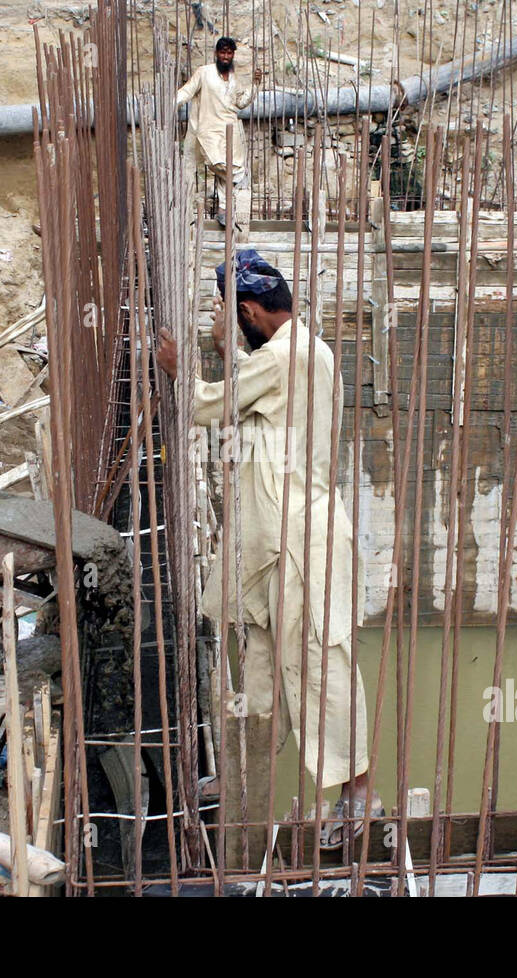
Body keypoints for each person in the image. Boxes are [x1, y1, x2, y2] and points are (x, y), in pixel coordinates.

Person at [154, 250, 379, 849]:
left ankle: (357, 792)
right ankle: (241, 779)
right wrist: (231, 358)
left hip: (296, 542)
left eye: (237, 317)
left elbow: (208, 404)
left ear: (250, 310)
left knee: (317, 662)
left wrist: (179, 367)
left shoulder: (285, 358)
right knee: (260, 652)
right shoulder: (306, 350)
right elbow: (257, 403)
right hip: (274, 535)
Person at [176, 36, 260, 236]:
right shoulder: (204, 73)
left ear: (232, 55)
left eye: (229, 53)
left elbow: (241, 103)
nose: (225, 56)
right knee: (190, 170)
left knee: (231, 170)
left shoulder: (234, 78)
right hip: (203, 130)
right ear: (216, 53)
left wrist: (256, 84)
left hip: (227, 131)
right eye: (222, 52)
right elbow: (186, 92)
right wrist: (169, 104)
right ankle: (185, 214)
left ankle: (223, 209)